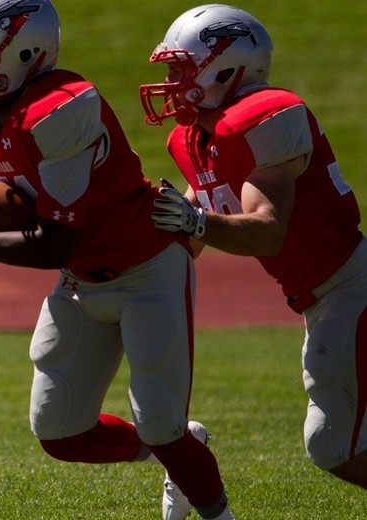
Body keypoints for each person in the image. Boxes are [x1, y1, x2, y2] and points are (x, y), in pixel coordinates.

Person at [0, 1, 235, 518]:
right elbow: (28, 195)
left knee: (161, 422)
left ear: (25, 53)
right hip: (81, 277)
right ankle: (179, 454)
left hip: (146, 264)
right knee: (60, 432)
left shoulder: (63, 108)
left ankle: (211, 503)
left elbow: (54, 242)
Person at [142, 4, 367, 490]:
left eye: (181, 69)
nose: (172, 82)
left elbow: (267, 230)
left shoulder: (267, 116)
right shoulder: (194, 137)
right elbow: (187, 234)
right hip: (322, 298)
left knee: (333, 444)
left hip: (351, 288)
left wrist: (196, 221)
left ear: (228, 67)